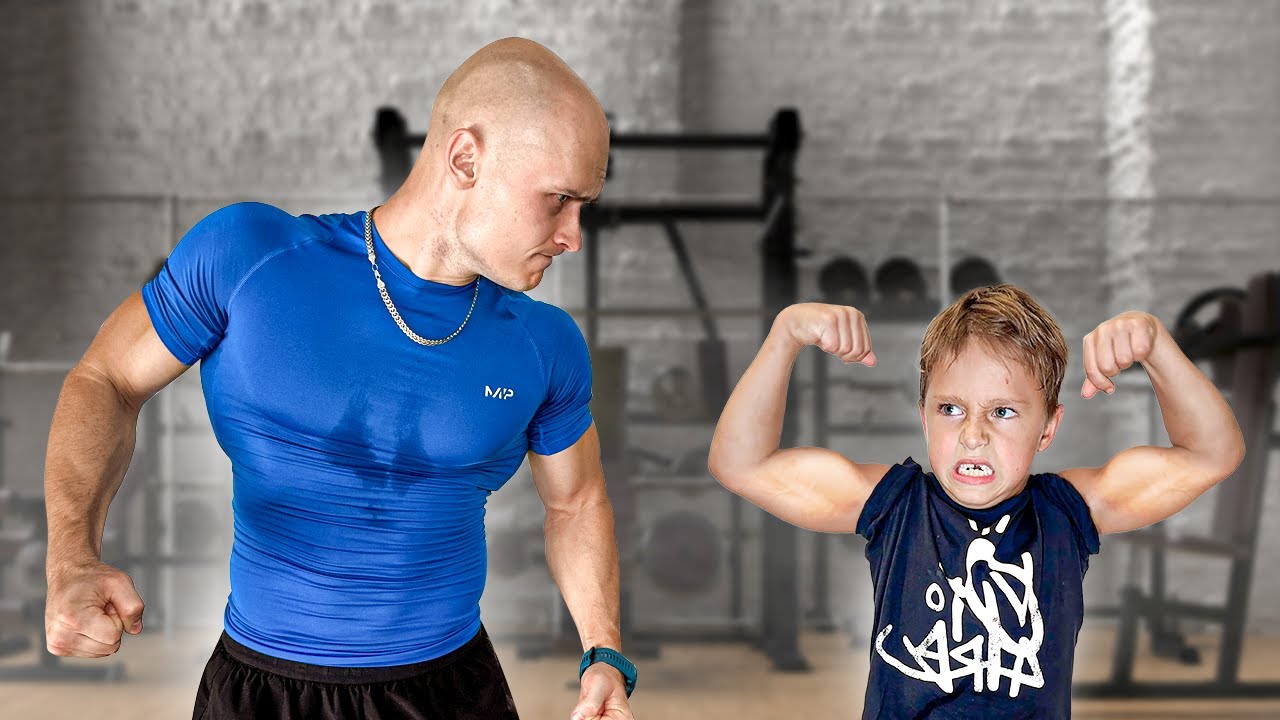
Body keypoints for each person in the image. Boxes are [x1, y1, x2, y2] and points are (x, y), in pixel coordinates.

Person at [42, 37, 637, 720]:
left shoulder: (544, 344)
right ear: (466, 158)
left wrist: (603, 651)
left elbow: (576, 501)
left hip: (452, 693)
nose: (574, 234)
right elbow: (105, 380)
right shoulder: (250, 259)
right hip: (262, 690)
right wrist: (72, 561)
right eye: (560, 199)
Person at [708, 283, 1245, 718]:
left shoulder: (1068, 510)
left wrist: (1156, 346)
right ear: (923, 416)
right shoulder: (894, 504)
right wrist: (786, 335)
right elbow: (740, 464)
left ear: (1048, 429)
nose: (973, 434)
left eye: (1004, 412)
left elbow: (1212, 454)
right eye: (950, 409)